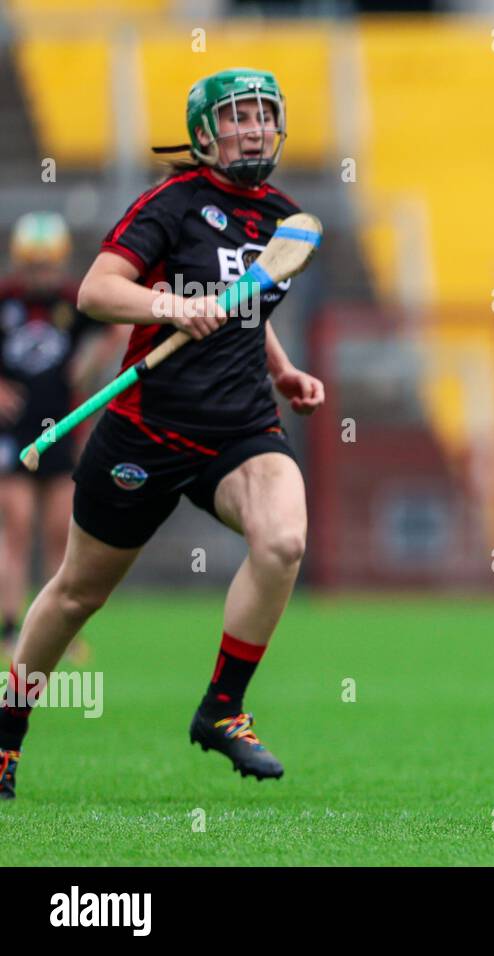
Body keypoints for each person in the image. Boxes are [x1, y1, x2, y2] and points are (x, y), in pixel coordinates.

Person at [0, 68, 325, 801]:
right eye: (238, 117)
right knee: (78, 593)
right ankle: (5, 731)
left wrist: (283, 369)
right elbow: (96, 291)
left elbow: (251, 303)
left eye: (264, 115)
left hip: (241, 426)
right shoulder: (170, 205)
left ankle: (222, 707)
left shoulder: (284, 216)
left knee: (283, 541)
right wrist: (172, 307)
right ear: (204, 133)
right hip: (147, 431)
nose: (254, 129)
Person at [1, 213, 127, 663]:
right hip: (11, 432)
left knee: (60, 532)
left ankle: (55, 631)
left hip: (64, 425)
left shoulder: (74, 302)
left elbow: (116, 325)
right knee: (15, 528)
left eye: (47, 265)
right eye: (33, 266)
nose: (41, 275)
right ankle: (10, 628)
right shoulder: (6, 301)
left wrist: (90, 364)